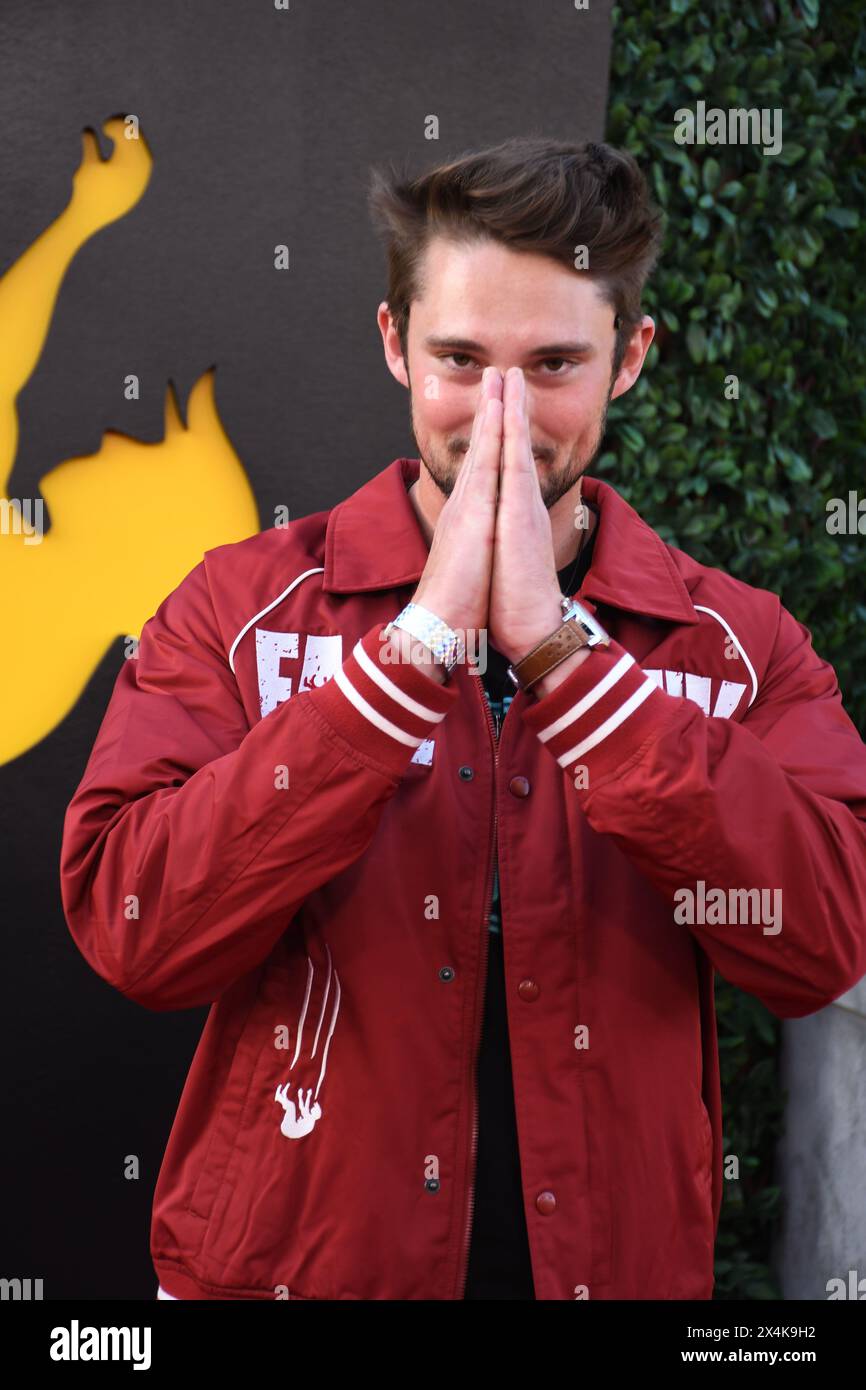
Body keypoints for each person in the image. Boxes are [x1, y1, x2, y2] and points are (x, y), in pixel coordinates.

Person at [60, 136, 866, 1301]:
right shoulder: (238, 607)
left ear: (628, 358)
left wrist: (564, 658)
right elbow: (132, 922)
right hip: (291, 1276)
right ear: (393, 344)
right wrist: (410, 654)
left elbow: (825, 941)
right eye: (457, 358)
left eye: (551, 363)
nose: (501, 413)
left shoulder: (734, 643)